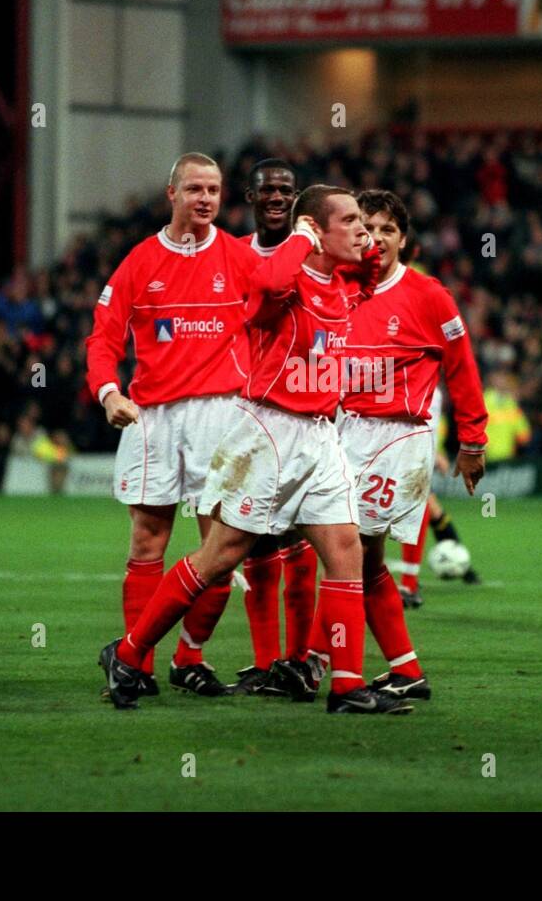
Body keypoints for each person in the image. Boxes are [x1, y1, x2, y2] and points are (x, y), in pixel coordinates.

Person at [98, 184, 405, 714]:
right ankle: (128, 655)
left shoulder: (341, 284)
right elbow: (267, 277)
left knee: (345, 552)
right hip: (268, 434)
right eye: (352, 220)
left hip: (319, 436)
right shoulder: (282, 287)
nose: (364, 230)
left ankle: (348, 686)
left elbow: (373, 270)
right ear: (315, 230)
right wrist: (301, 237)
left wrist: (360, 244)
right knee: (220, 556)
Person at [288, 188, 485, 700]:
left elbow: (462, 368)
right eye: (366, 228)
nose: (374, 238)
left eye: (386, 230)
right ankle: (403, 669)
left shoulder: (429, 296)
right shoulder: (341, 288)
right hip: (345, 430)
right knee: (359, 561)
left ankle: (315, 661)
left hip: (397, 438)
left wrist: (473, 440)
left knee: (348, 553)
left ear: (403, 239)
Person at [86, 153, 262, 698]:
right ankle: (137, 662)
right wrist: (108, 391)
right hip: (152, 417)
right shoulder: (139, 261)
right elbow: (103, 338)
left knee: (221, 546)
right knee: (147, 539)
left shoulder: (239, 256)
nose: (205, 198)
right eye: (194, 189)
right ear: (172, 194)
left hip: (221, 413)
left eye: (213, 189)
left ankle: (190, 656)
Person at [230, 158, 320, 696]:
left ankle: (300, 659)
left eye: (287, 190)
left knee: (302, 539)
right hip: (247, 411)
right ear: (251, 195)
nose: (277, 197)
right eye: (268, 189)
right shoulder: (233, 254)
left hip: (302, 413)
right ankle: (267, 664)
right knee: (258, 543)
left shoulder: (314, 256)